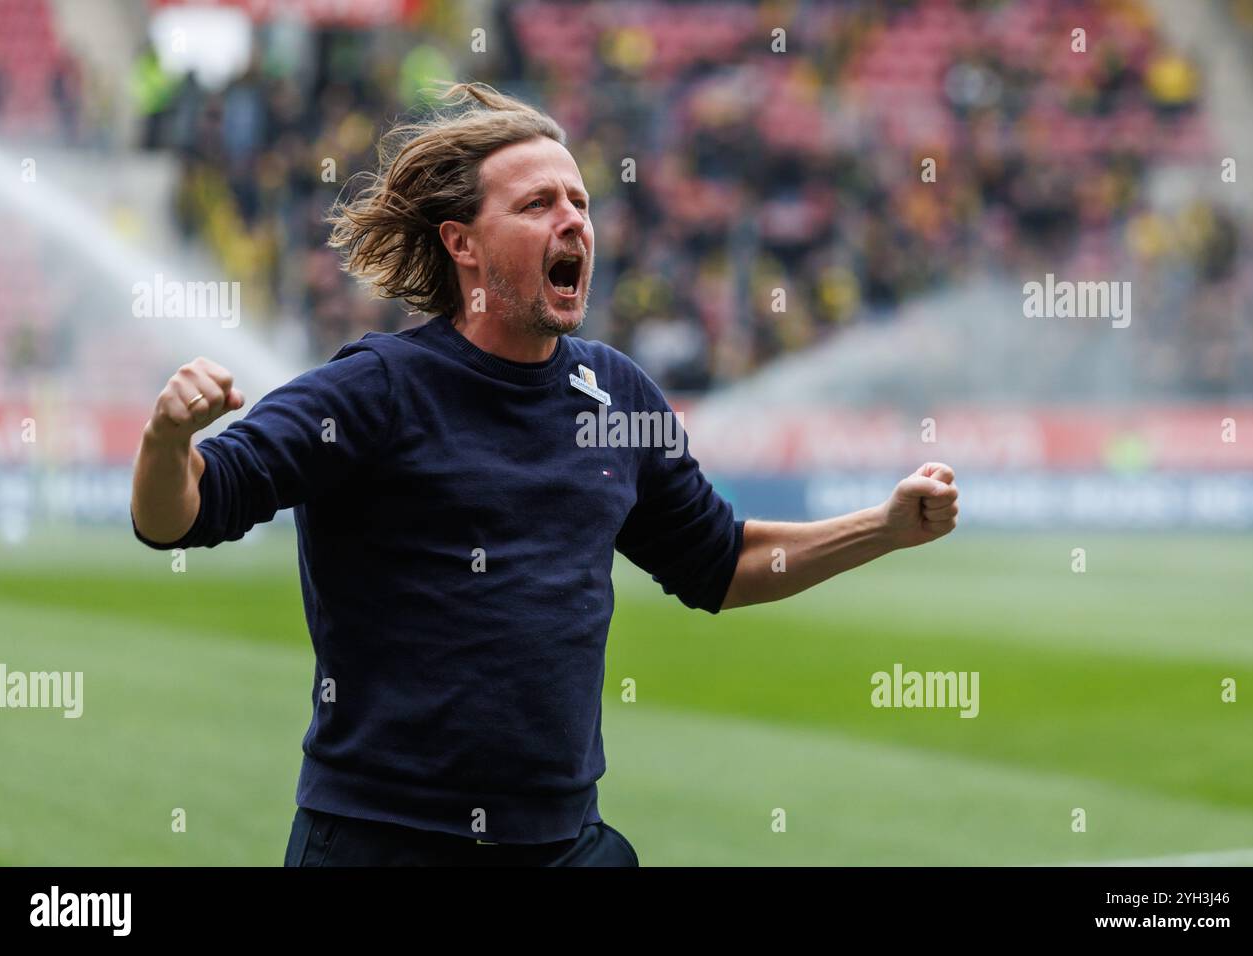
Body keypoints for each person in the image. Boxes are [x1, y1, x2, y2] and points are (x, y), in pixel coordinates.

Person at [130, 83, 959, 867]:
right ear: (462, 243)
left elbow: (722, 562)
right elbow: (181, 513)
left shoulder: (616, 393)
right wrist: (170, 441)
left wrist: (881, 528)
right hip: (385, 839)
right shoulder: (377, 387)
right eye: (538, 205)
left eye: (581, 204)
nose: (574, 222)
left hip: (562, 841)